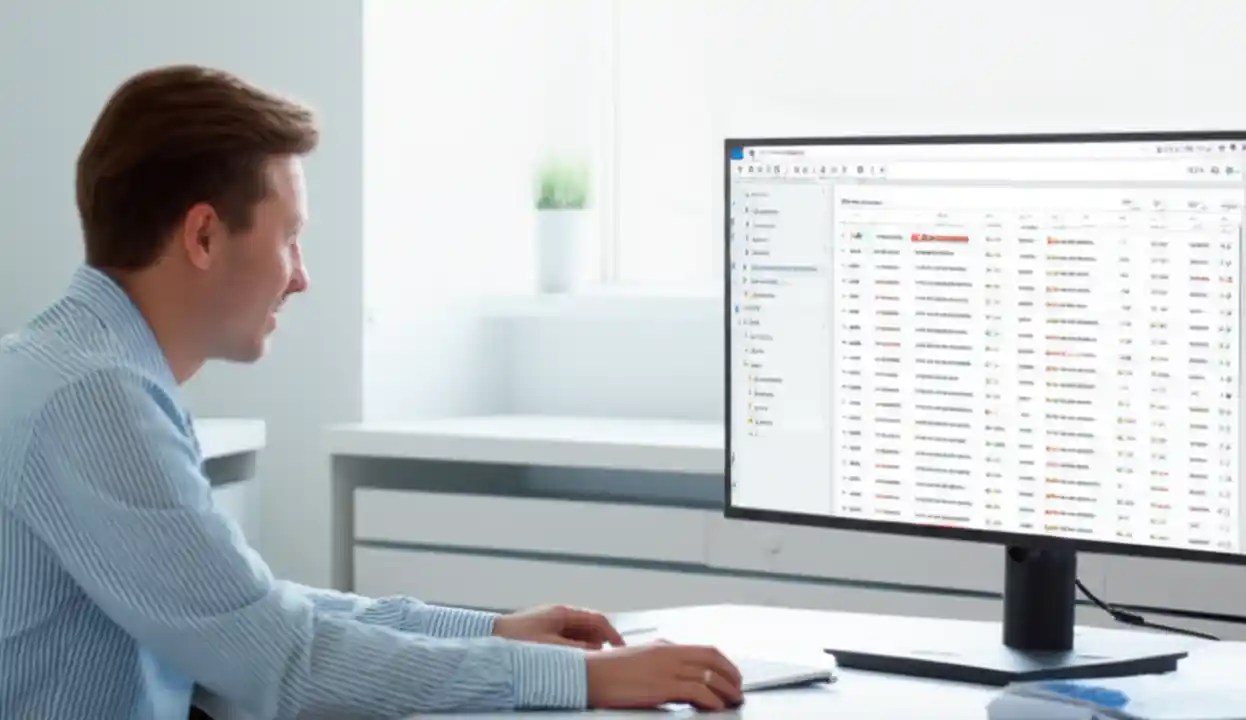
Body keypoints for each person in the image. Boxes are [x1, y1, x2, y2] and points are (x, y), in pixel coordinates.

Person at [0, 65, 743, 718]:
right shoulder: (94, 401)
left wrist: (490, 630)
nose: (300, 274)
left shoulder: (83, 370)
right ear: (202, 236)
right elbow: (285, 662)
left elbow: (254, 616)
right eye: (289, 236)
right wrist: (582, 680)